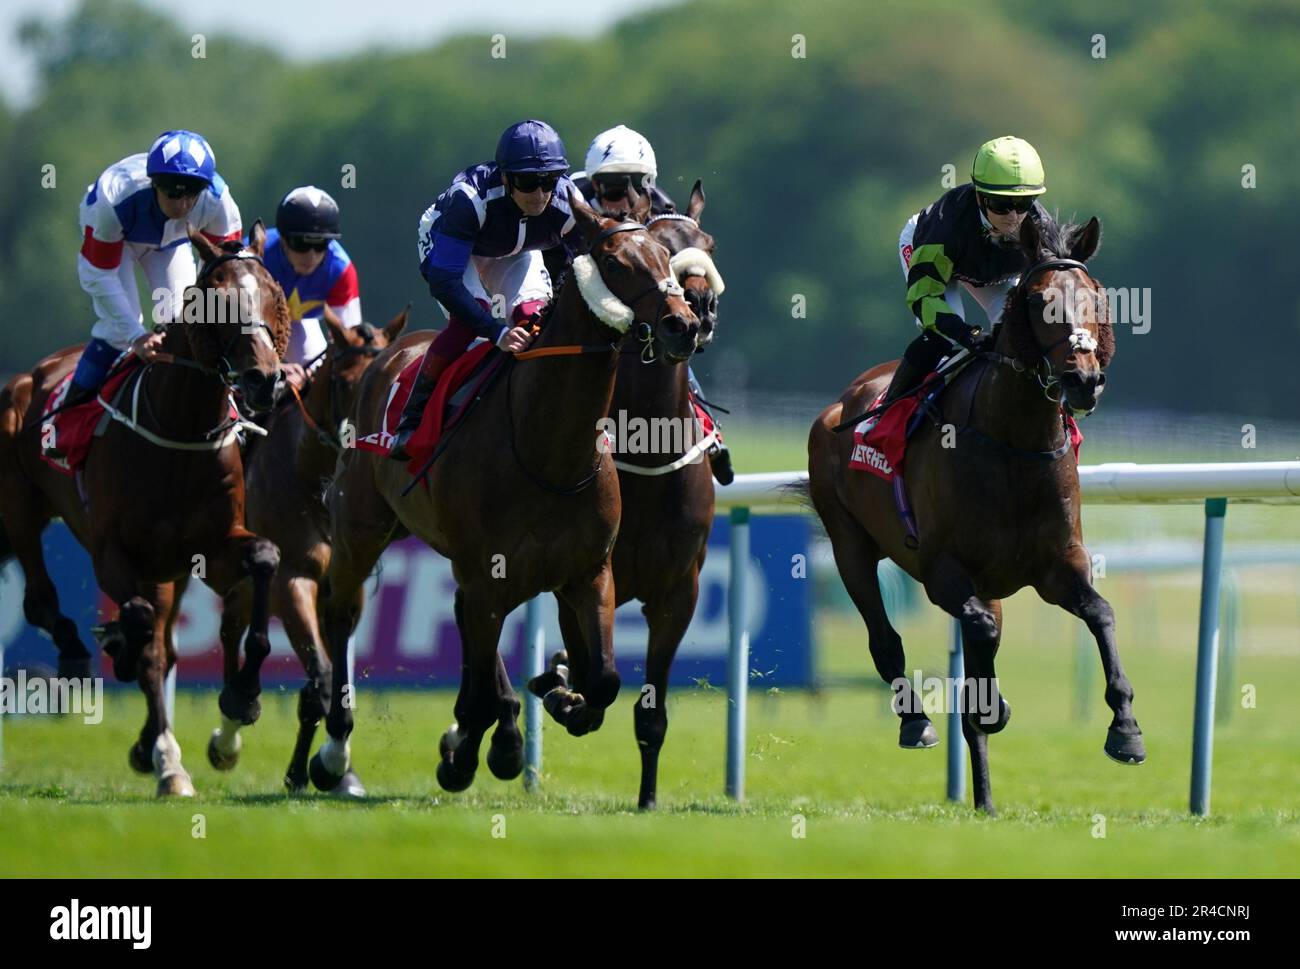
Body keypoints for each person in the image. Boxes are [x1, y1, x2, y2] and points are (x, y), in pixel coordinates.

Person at [390, 119, 584, 461]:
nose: (539, 194)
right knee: (471, 319)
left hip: (515, 249)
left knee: (531, 315)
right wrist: (495, 332)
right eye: (527, 182)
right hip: (453, 248)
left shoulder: (568, 200)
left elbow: (586, 268)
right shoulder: (469, 200)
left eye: (548, 181)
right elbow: (445, 282)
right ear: (506, 178)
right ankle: (412, 416)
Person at [573, 124, 734, 484]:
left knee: (673, 346)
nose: (625, 195)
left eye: (636, 183)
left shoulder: (661, 208)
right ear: (594, 184)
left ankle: (709, 430)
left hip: (633, 306)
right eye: (614, 186)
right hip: (573, 297)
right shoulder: (569, 206)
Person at [71, 129, 242, 400]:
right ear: (154, 183)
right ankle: (70, 412)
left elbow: (226, 273)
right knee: (120, 329)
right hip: (119, 241)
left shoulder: (218, 201)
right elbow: (98, 275)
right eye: (173, 192)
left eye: (192, 192)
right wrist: (137, 336)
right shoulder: (114, 200)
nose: (183, 204)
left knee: (185, 321)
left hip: (170, 243)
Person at [882, 135, 1049, 404]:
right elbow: (924, 299)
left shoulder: (1040, 229)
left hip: (991, 271)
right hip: (940, 260)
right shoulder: (947, 229)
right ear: (980, 197)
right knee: (941, 336)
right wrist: (966, 334)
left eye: (1024, 204)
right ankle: (886, 413)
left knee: (1021, 335)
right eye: (1001, 204)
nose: (1014, 217)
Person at [262, 186, 362, 390]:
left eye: (320, 245)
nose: (311, 256)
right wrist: (274, 366)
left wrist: (314, 373)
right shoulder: (257, 258)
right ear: (282, 238)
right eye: (301, 244)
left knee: (320, 384)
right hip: (251, 327)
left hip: (299, 323)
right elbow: (234, 327)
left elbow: (348, 344)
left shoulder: (341, 270)